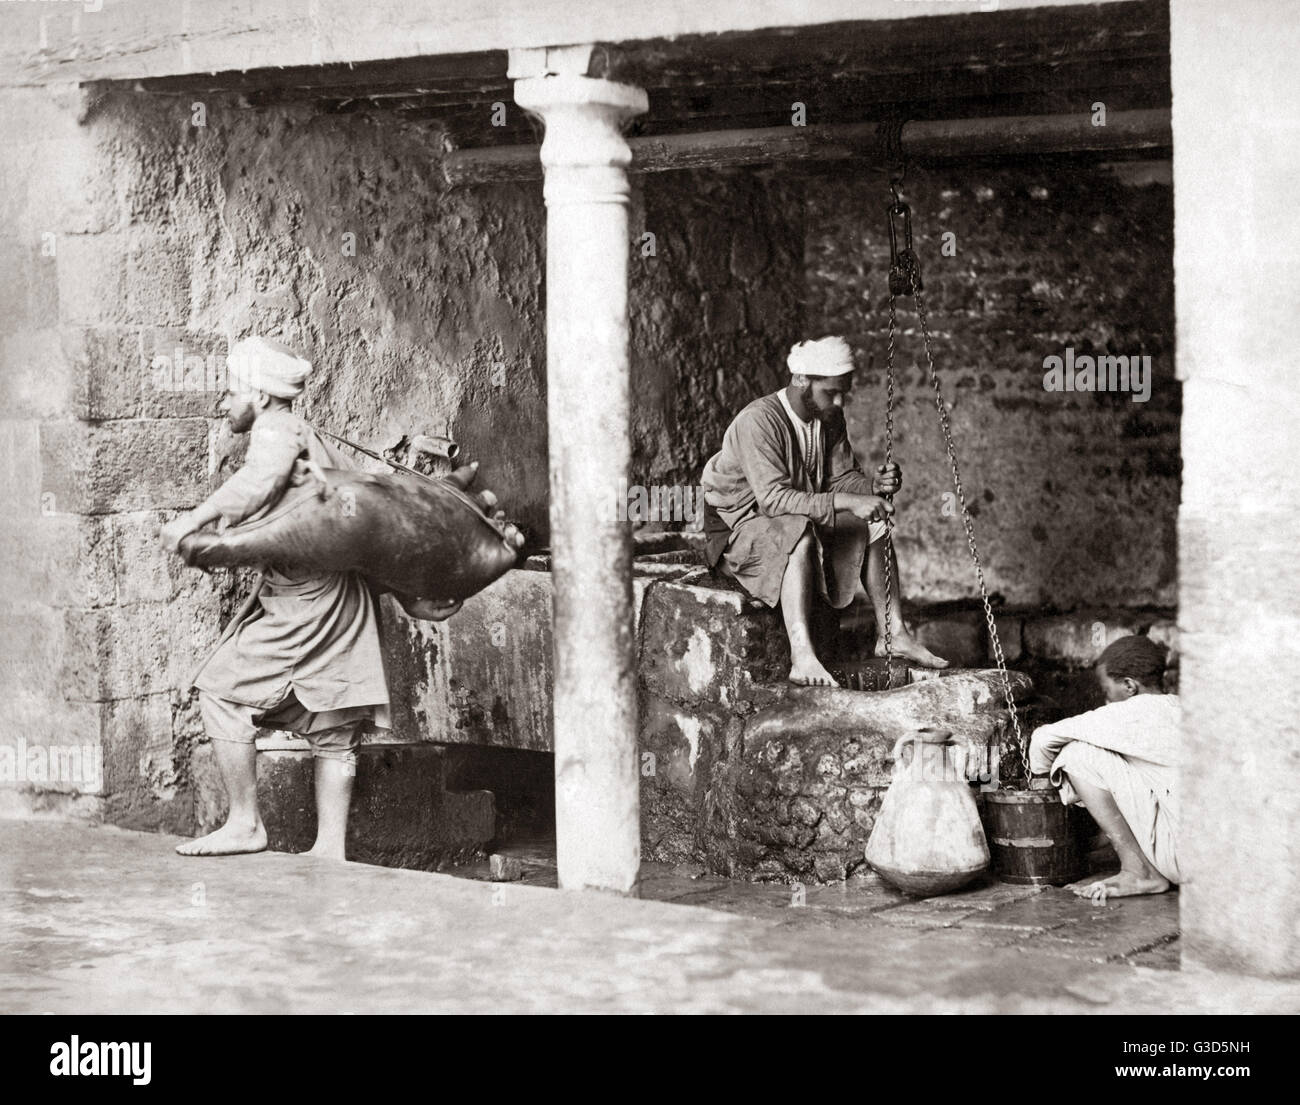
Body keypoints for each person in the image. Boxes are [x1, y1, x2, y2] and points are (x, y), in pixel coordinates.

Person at [160, 336, 460, 860]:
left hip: (307, 603)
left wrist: (193, 519)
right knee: (334, 722)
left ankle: (245, 823)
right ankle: (330, 848)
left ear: (258, 393)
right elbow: (355, 535)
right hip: (340, 599)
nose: (223, 403)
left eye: (231, 391)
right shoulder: (309, 437)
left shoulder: (277, 432)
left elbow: (257, 483)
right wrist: (405, 595)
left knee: (221, 691)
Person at [700, 335, 947, 686]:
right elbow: (773, 500)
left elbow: (841, 478)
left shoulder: (828, 418)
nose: (838, 400)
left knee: (874, 525)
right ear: (802, 379)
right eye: (830, 391)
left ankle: (893, 633)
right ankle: (802, 656)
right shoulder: (758, 421)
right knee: (797, 534)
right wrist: (849, 501)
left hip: (793, 514)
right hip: (739, 523)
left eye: (843, 391)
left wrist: (873, 490)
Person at [1028, 635, 1180, 902]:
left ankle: (1139, 872)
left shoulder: (1129, 712)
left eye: (1107, 692)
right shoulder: (1182, 707)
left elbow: (1042, 739)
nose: (1106, 702)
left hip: (1184, 859)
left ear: (1129, 686)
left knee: (1076, 755)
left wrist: (1039, 781)